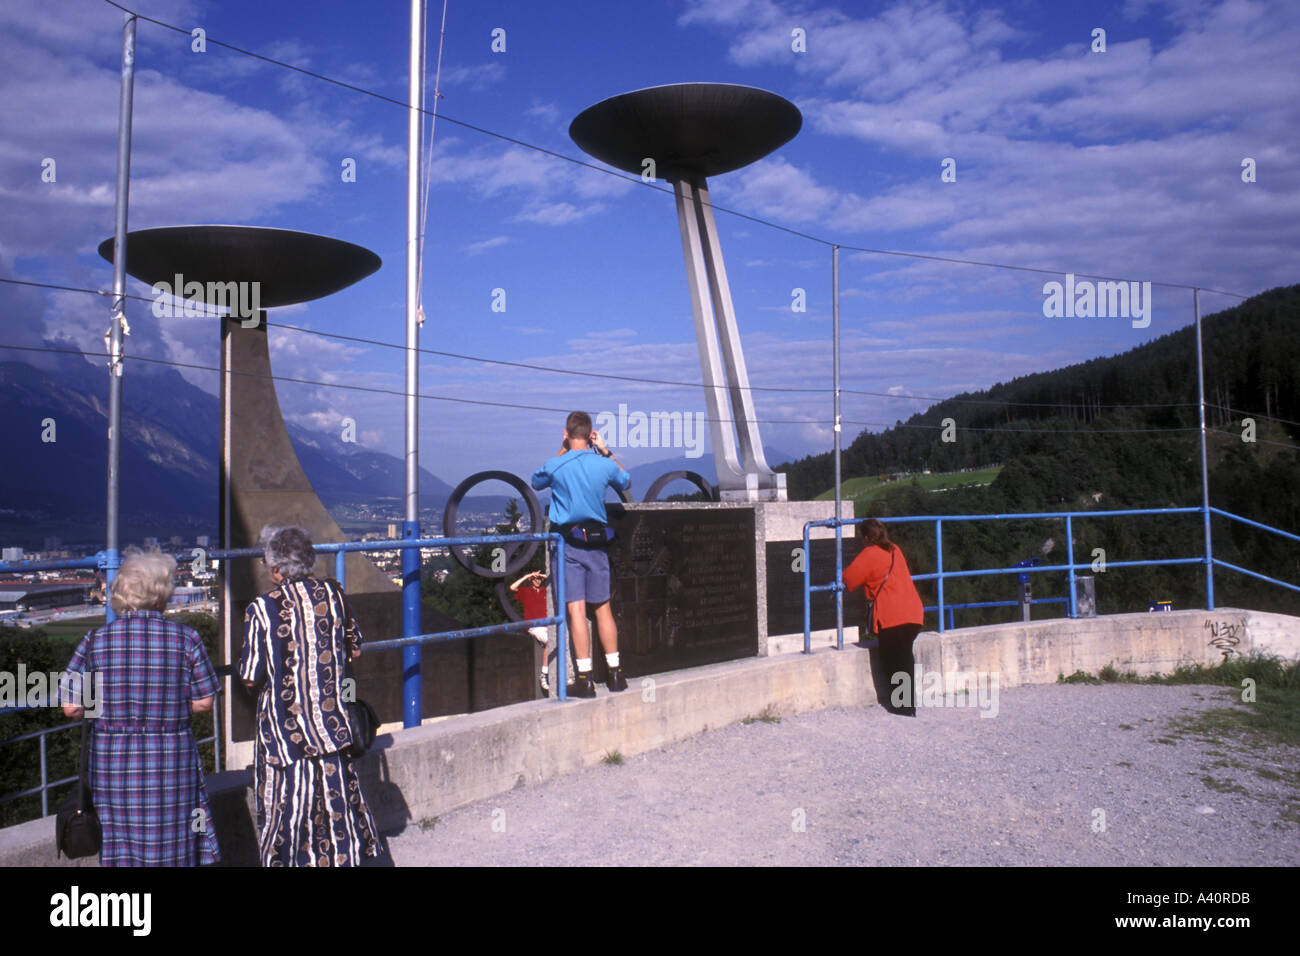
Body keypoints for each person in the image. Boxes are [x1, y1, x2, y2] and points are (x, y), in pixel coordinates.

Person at [59, 548, 220, 866]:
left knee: (120, 848)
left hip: (114, 765)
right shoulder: (187, 639)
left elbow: (70, 708)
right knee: (174, 844)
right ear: (161, 596)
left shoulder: (94, 641)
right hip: (172, 763)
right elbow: (204, 702)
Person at [238, 525, 380, 867]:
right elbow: (355, 650)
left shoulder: (262, 609)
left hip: (285, 734)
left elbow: (249, 676)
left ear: (275, 571)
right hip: (332, 725)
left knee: (287, 815)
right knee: (336, 812)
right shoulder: (335, 595)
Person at [531, 410, 632, 697]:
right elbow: (626, 482)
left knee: (576, 609)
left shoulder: (557, 465)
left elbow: (536, 482)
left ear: (566, 433)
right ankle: (616, 674)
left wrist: (562, 450)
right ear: (590, 435)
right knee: (603, 608)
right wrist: (605, 450)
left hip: (568, 544)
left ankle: (585, 679)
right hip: (598, 543)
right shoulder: (603, 464)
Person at [842, 518, 926, 717]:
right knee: (904, 656)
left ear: (866, 538)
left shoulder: (869, 554)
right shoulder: (895, 549)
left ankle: (903, 707)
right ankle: (907, 704)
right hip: (913, 612)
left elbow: (849, 579)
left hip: (892, 615)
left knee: (894, 660)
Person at [510, 569, 555, 696]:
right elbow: (512, 587)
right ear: (531, 580)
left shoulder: (546, 591)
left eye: (539, 579)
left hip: (547, 625)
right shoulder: (526, 591)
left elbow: (559, 582)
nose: (537, 580)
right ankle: (544, 674)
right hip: (534, 627)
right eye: (535, 578)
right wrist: (527, 575)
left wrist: (544, 576)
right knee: (549, 641)